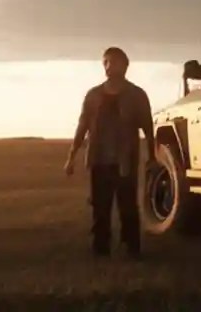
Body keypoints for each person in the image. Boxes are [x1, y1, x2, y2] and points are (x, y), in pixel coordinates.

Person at [64, 47, 154, 258]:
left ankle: (132, 248)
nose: (108, 66)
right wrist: (71, 157)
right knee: (100, 208)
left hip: (125, 160)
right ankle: (100, 249)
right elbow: (82, 126)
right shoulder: (94, 95)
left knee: (128, 207)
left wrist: (152, 156)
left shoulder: (136, 95)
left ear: (125, 65)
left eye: (113, 62)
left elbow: (148, 128)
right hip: (99, 160)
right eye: (105, 62)